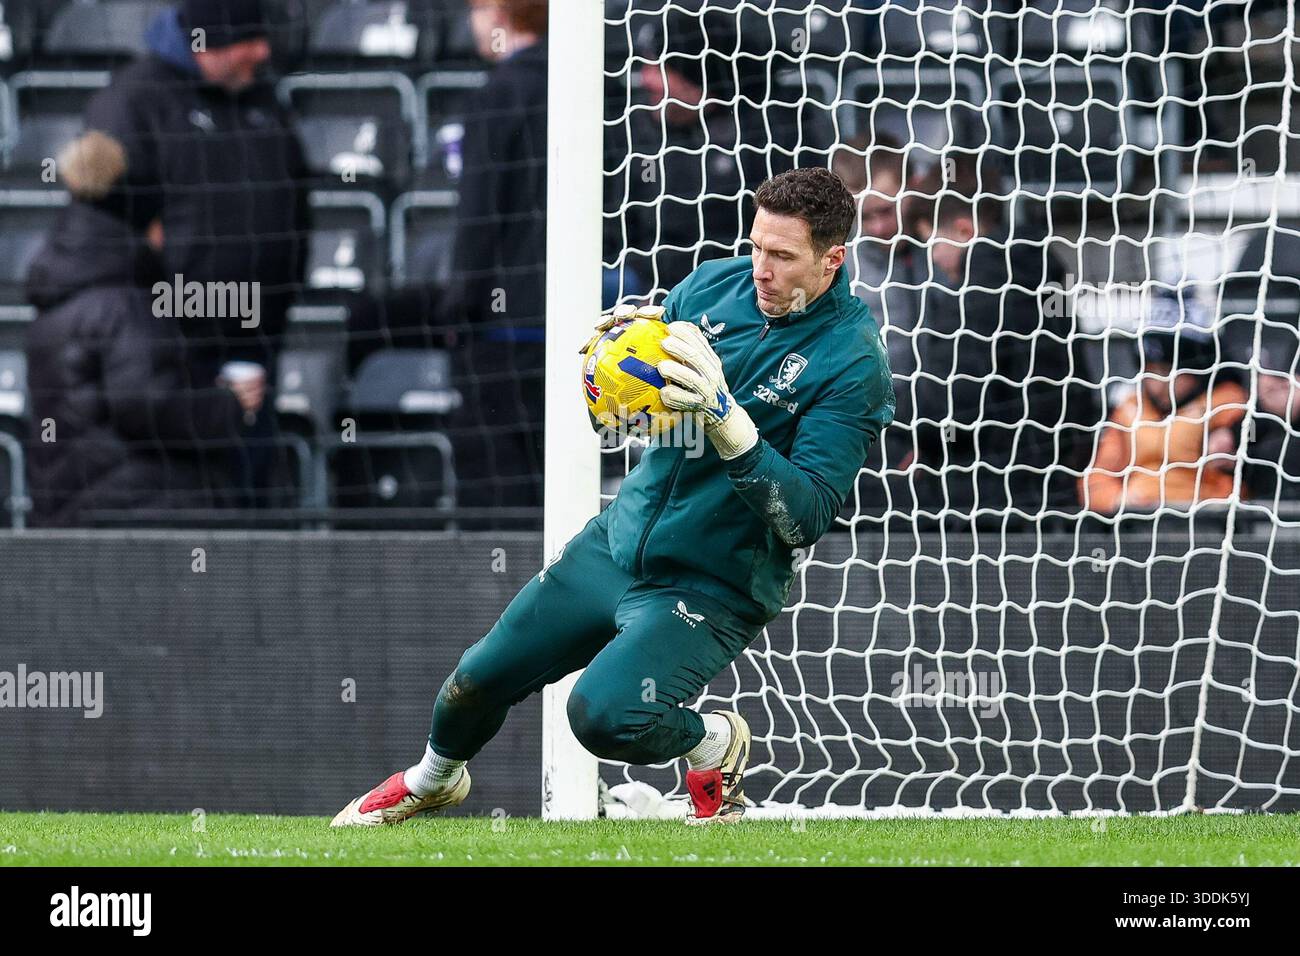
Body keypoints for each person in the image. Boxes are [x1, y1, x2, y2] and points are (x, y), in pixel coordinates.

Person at [331, 166, 895, 826]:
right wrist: (619, 370)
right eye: (755, 246)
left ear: (833, 260)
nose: (760, 270)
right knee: (475, 678)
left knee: (603, 717)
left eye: (781, 255)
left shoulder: (853, 361)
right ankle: (432, 780)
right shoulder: (714, 286)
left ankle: (715, 741)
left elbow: (804, 517)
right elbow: (642, 408)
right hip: (618, 542)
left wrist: (726, 418)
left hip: (711, 583)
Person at [73, 0, 310, 508]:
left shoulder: (262, 99)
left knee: (251, 503)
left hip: (256, 345)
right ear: (211, 45)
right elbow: (102, 224)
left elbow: (295, 203)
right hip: (173, 354)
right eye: (249, 40)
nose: (262, 51)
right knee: (191, 509)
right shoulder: (133, 101)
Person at [24, 135, 256, 527]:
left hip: (73, 512)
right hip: (140, 514)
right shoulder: (125, 304)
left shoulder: (60, 294)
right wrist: (229, 404)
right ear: (141, 223)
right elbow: (146, 404)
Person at [908, 192, 1092, 521]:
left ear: (964, 231)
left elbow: (954, 399)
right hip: (1054, 476)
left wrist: (901, 421)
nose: (933, 258)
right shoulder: (1050, 265)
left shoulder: (982, 283)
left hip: (988, 493)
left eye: (933, 244)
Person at [442, 0, 549, 528]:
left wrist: (459, 309)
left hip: (504, 338)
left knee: (499, 505)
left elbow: (478, 218)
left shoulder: (498, 94)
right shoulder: (590, 93)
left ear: (500, 15)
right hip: (578, 334)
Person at [1079, 291, 1247, 514]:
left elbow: (1257, 448)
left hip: (1206, 522)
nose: (1158, 382)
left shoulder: (1227, 402)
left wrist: (1233, 437)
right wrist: (1118, 499)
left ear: (1198, 371)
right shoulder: (1129, 409)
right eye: (1151, 369)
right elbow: (1098, 475)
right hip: (1139, 524)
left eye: (1169, 371)